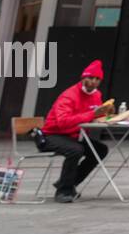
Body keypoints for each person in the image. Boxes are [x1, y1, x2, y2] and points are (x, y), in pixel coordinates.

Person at [39, 60, 114, 203]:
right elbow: (63, 122)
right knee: (76, 150)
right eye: (90, 78)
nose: (93, 82)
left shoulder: (97, 95)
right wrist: (93, 114)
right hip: (52, 135)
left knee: (101, 150)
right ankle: (63, 191)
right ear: (83, 78)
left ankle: (68, 182)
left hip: (74, 135)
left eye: (97, 79)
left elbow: (97, 114)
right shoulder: (69, 95)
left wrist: (109, 114)